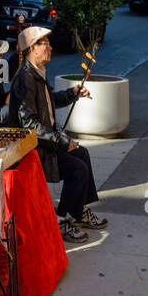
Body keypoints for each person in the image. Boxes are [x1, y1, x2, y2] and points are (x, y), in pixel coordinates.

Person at [7, 25, 107, 244]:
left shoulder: (36, 73)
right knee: (77, 169)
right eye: (45, 44)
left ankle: (79, 210)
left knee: (83, 155)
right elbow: (29, 124)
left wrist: (73, 93)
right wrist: (63, 141)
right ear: (32, 48)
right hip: (33, 151)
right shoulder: (25, 79)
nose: (50, 48)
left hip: (44, 143)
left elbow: (49, 103)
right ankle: (61, 219)